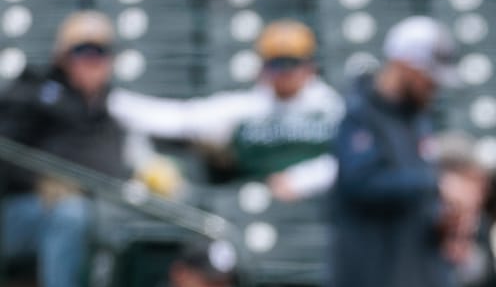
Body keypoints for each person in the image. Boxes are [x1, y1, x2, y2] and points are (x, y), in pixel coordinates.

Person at [326, 15, 468, 287]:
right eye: (430, 75)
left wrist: (443, 220)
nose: (435, 87)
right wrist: (435, 184)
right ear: (406, 64)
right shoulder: (358, 114)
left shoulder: (417, 120)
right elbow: (359, 183)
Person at [110, 20, 345, 199]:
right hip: (254, 202)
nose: (284, 73)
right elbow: (182, 118)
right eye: (275, 63)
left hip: (322, 205)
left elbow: (355, 158)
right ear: (263, 67)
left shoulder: (332, 107)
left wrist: (302, 180)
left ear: (310, 66)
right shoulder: (249, 105)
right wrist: (112, 102)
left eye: (292, 63)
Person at [0, 11, 128, 287]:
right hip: (16, 213)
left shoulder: (109, 109)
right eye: (82, 51)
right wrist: (39, 181)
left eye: (100, 53)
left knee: (109, 220)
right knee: (71, 215)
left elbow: (110, 166)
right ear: (62, 57)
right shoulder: (32, 93)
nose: (92, 61)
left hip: (87, 208)